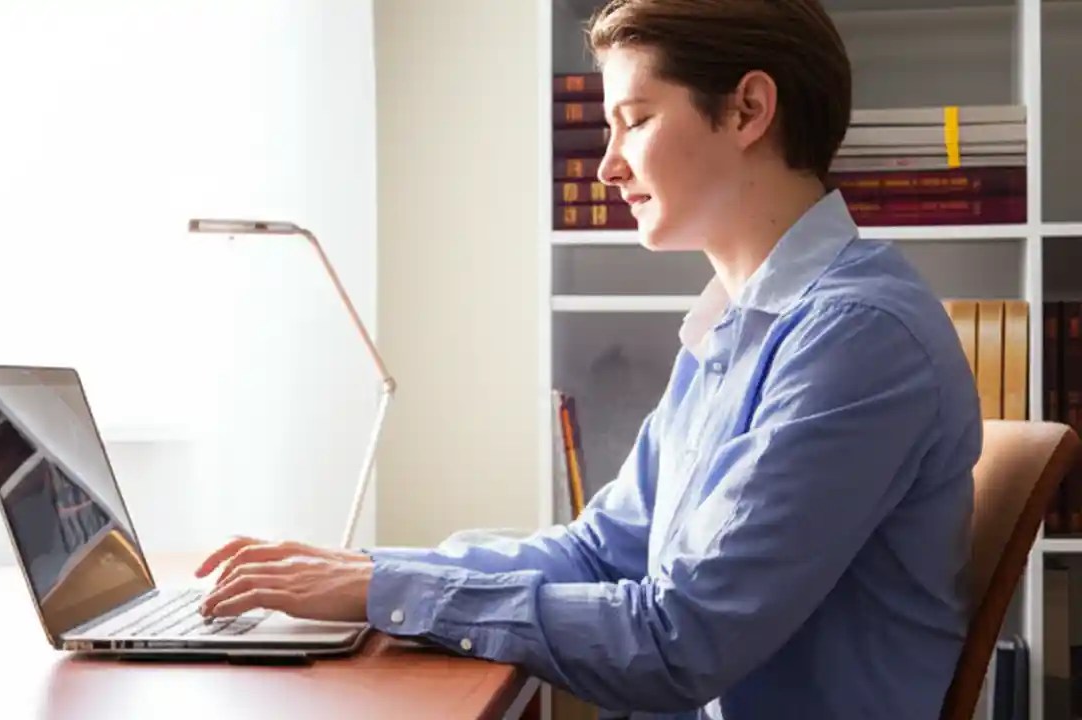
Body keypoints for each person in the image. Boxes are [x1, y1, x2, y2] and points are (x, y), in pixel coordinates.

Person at [192, 0, 984, 717]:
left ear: (748, 109)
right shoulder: (738, 325)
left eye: (633, 120)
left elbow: (680, 640)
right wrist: (359, 571)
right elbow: (600, 551)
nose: (607, 164)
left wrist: (383, 590)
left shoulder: (855, 337)